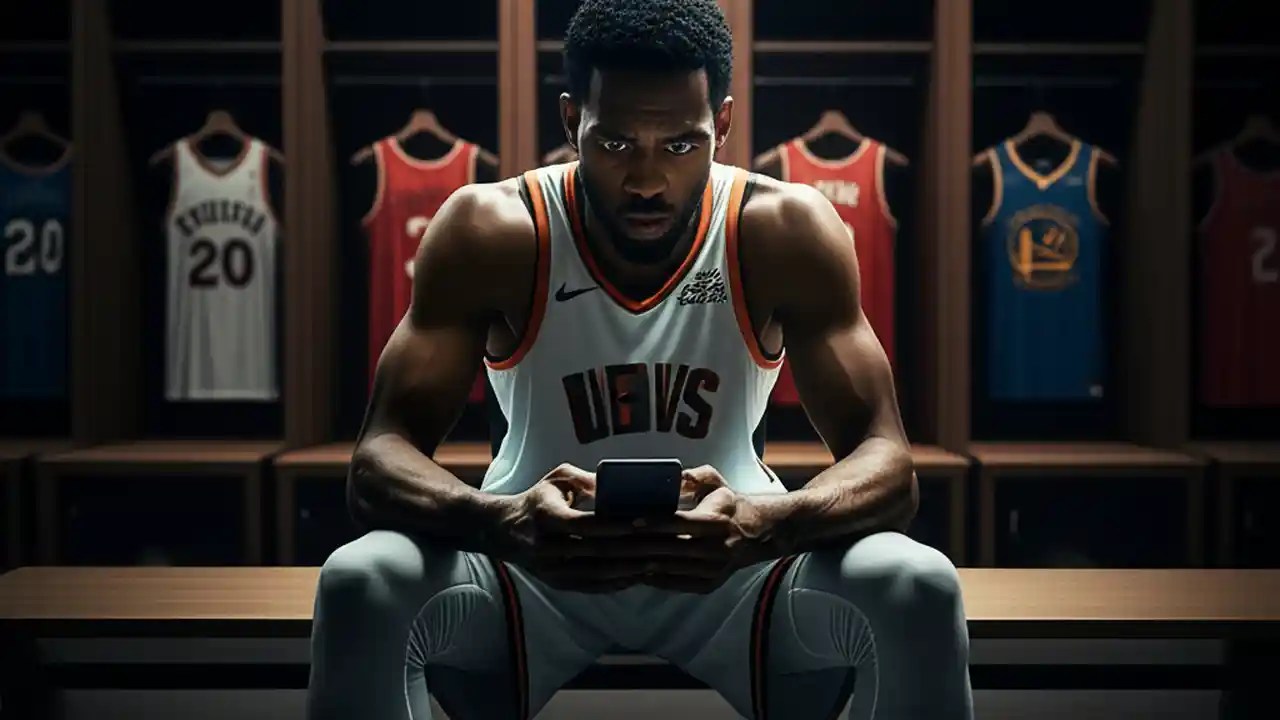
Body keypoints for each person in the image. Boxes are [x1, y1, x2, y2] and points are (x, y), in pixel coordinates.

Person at [306, 1, 973, 718]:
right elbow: (377, 459)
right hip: (533, 565)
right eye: (616, 145)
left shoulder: (783, 230)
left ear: (722, 126)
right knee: (357, 578)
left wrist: (770, 524)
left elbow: (888, 462)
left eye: (681, 145)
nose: (649, 180)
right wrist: (497, 520)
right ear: (571, 124)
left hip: (736, 563)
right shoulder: (492, 230)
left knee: (920, 583)